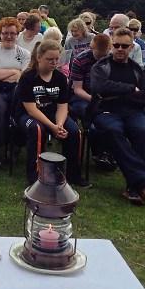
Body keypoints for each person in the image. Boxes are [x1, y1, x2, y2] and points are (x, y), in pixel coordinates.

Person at [88, 28, 145, 205]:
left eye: (124, 46)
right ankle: (142, 181)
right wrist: (130, 89)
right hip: (106, 111)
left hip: (134, 111)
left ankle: (134, 187)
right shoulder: (101, 67)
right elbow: (98, 87)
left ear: (132, 47)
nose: (120, 49)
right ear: (111, 45)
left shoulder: (139, 69)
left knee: (142, 132)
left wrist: (117, 93)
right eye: (116, 45)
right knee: (113, 130)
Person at [12, 40, 86, 186]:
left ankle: (73, 175)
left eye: (56, 59)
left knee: (74, 131)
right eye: (50, 59)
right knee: (38, 130)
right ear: (39, 58)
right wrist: (52, 127)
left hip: (53, 114)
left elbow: (62, 106)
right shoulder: (28, 77)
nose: (54, 62)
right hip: (28, 115)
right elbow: (31, 109)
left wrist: (59, 125)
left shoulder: (60, 78)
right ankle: (36, 177)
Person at [0, 17, 30, 168]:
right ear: (0, 33)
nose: (9, 36)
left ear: (17, 34)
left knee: (21, 108)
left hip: (17, 90)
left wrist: (1, 73)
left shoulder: (25, 54)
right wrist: (13, 71)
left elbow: (24, 77)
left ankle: (15, 146)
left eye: (12, 33)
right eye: (5, 33)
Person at [69, 33, 111, 121]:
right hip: (82, 96)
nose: (101, 59)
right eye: (99, 56)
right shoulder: (80, 60)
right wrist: (95, 100)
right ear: (91, 48)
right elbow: (77, 89)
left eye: (104, 56)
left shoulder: (112, 59)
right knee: (89, 110)